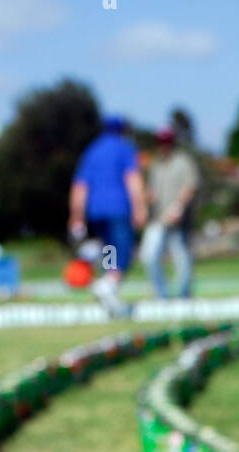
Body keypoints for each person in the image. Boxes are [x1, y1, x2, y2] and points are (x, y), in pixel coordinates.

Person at [69, 115, 147, 315]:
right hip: (118, 208)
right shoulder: (124, 148)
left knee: (109, 249)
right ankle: (108, 284)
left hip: (95, 210)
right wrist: (140, 206)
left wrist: (76, 215)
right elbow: (132, 179)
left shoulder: (92, 151)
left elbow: (80, 186)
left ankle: (109, 294)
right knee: (124, 250)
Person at [143, 128, 200, 299]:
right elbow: (151, 190)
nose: (163, 146)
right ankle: (161, 296)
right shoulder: (155, 164)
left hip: (179, 219)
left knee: (181, 256)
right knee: (150, 256)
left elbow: (190, 186)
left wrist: (177, 208)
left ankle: (184, 296)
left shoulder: (183, 162)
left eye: (166, 142)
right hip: (159, 219)